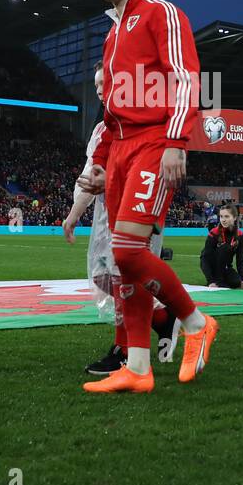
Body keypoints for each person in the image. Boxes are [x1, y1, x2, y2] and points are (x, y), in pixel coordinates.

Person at [76, 0, 218, 393]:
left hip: (155, 142)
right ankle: (137, 366)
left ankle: (196, 323)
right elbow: (114, 109)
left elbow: (185, 79)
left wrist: (176, 141)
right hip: (121, 150)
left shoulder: (161, 13)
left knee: (128, 252)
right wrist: (101, 162)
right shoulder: (113, 33)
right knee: (125, 265)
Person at [63, 65, 176, 375]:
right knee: (103, 276)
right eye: (97, 84)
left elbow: (150, 171)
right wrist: (73, 215)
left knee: (122, 274)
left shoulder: (147, 124)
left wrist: (112, 180)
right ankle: (162, 318)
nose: (100, 89)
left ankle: (124, 349)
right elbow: (90, 175)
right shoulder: (103, 130)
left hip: (136, 209)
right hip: (107, 210)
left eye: (106, 82)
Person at [200, 203, 243, 289]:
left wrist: (242, 279)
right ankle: (218, 280)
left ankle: (222, 280)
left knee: (235, 282)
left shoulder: (240, 235)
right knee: (225, 247)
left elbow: (240, 258)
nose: (223, 220)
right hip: (212, 268)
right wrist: (210, 281)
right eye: (221, 216)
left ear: (234, 218)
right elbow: (205, 259)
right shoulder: (213, 233)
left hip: (226, 267)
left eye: (227, 216)